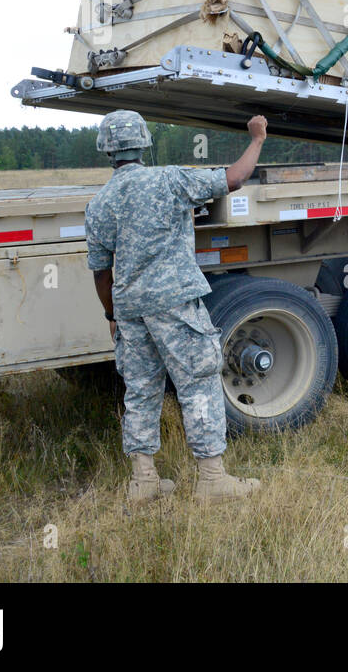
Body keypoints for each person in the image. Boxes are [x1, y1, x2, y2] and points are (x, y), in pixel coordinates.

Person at [85, 110, 269, 504]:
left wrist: (112, 316)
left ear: (106, 151)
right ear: (144, 143)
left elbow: (102, 274)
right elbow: (234, 178)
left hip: (131, 311)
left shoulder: (99, 204)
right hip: (176, 304)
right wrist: (256, 139)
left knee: (140, 391)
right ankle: (212, 480)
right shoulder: (169, 179)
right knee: (198, 382)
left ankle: (144, 481)